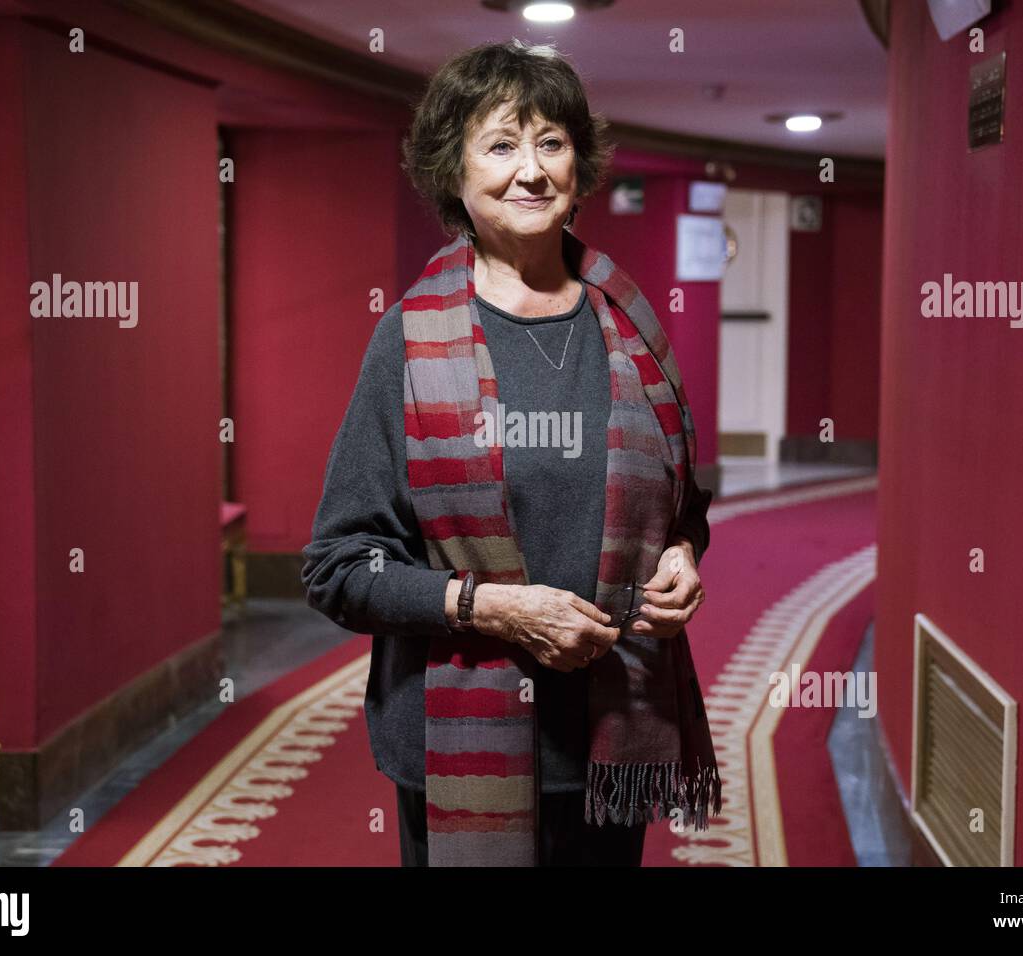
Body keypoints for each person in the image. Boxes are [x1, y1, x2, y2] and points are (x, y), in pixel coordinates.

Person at [302, 38, 720, 867]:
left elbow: (683, 507)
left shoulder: (631, 323)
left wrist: (680, 556)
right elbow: (338, 567)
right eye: (500, 145)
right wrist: (493, 609)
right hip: (460, 735)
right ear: (452, 175)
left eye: (551, 143)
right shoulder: (410, 343)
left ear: (579, 164)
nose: (530, 170)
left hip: (608, 740)